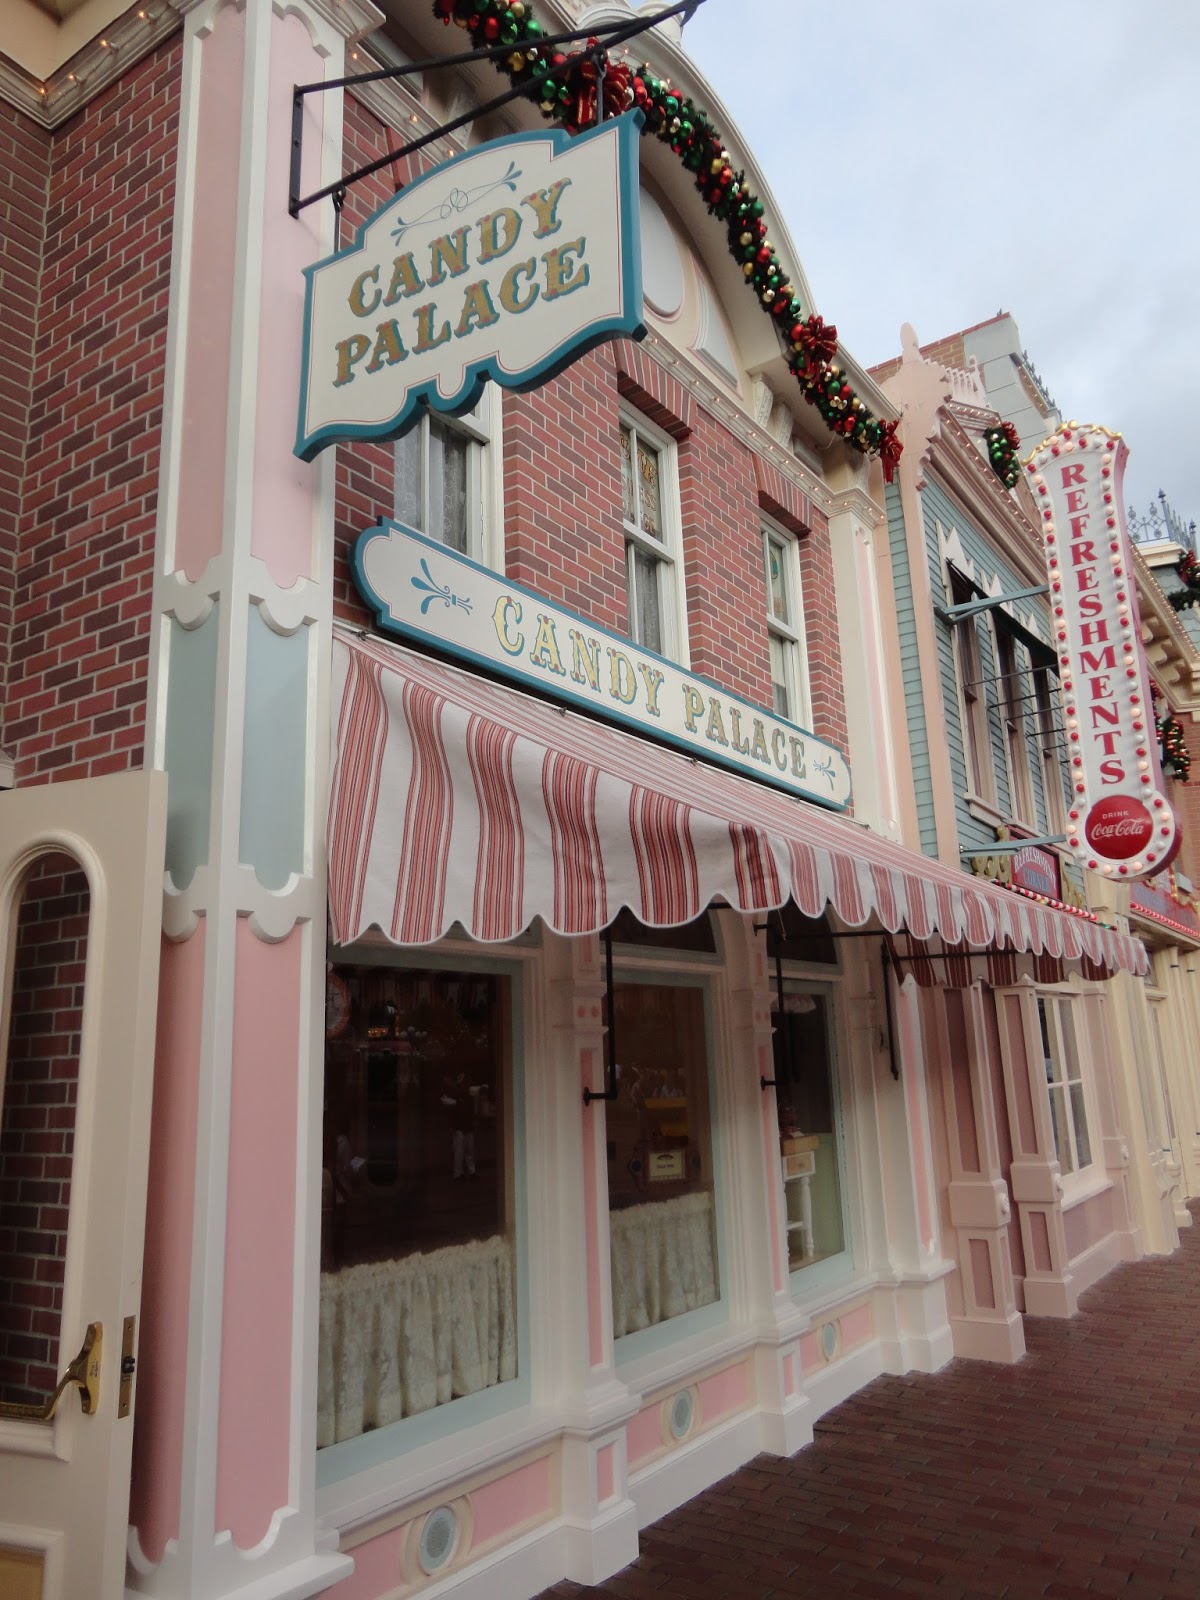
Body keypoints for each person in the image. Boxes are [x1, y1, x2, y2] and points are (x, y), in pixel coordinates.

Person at [441, 1070, 476, 1178]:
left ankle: (463, 1173)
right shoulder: (461, 1097)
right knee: (463, 1152)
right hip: (462, 1127)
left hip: (464, 1127)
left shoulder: (461, 1097)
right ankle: (462, 1173)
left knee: (463, 1151)